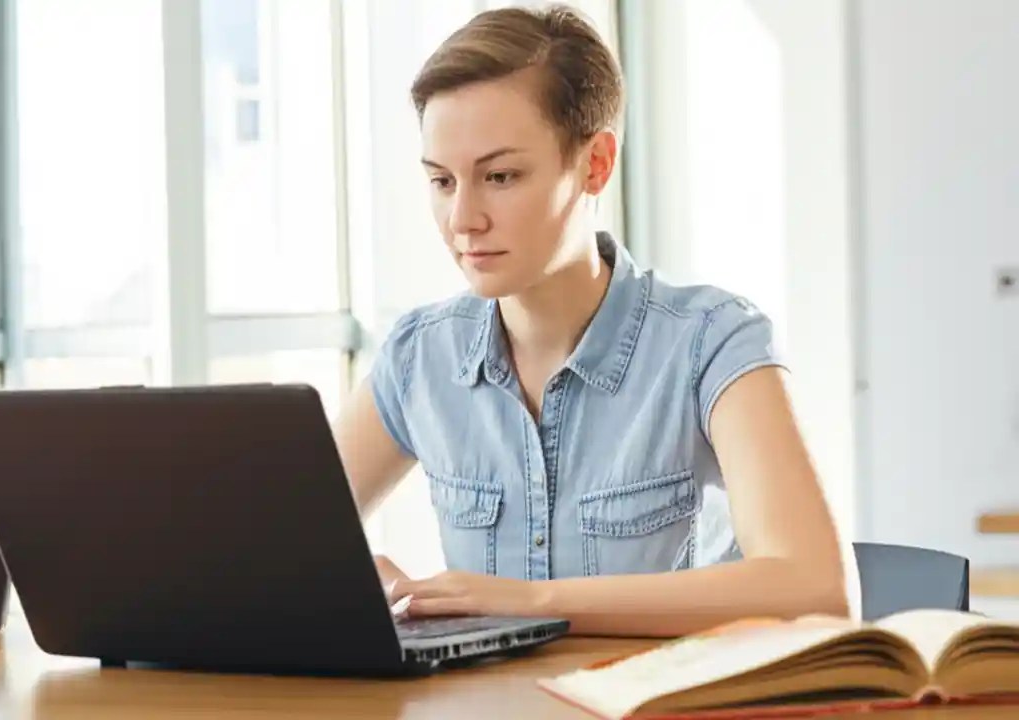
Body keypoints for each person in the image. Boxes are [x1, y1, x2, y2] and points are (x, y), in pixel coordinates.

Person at [331, 4, 850, 637]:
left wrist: (534, 601)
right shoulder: (421, 355)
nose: (462, 218)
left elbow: (815, 587)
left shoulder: (712, 341)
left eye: (500, 176)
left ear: (595, 164)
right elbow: (280, 536)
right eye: (442, 181)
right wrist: (373, 585)